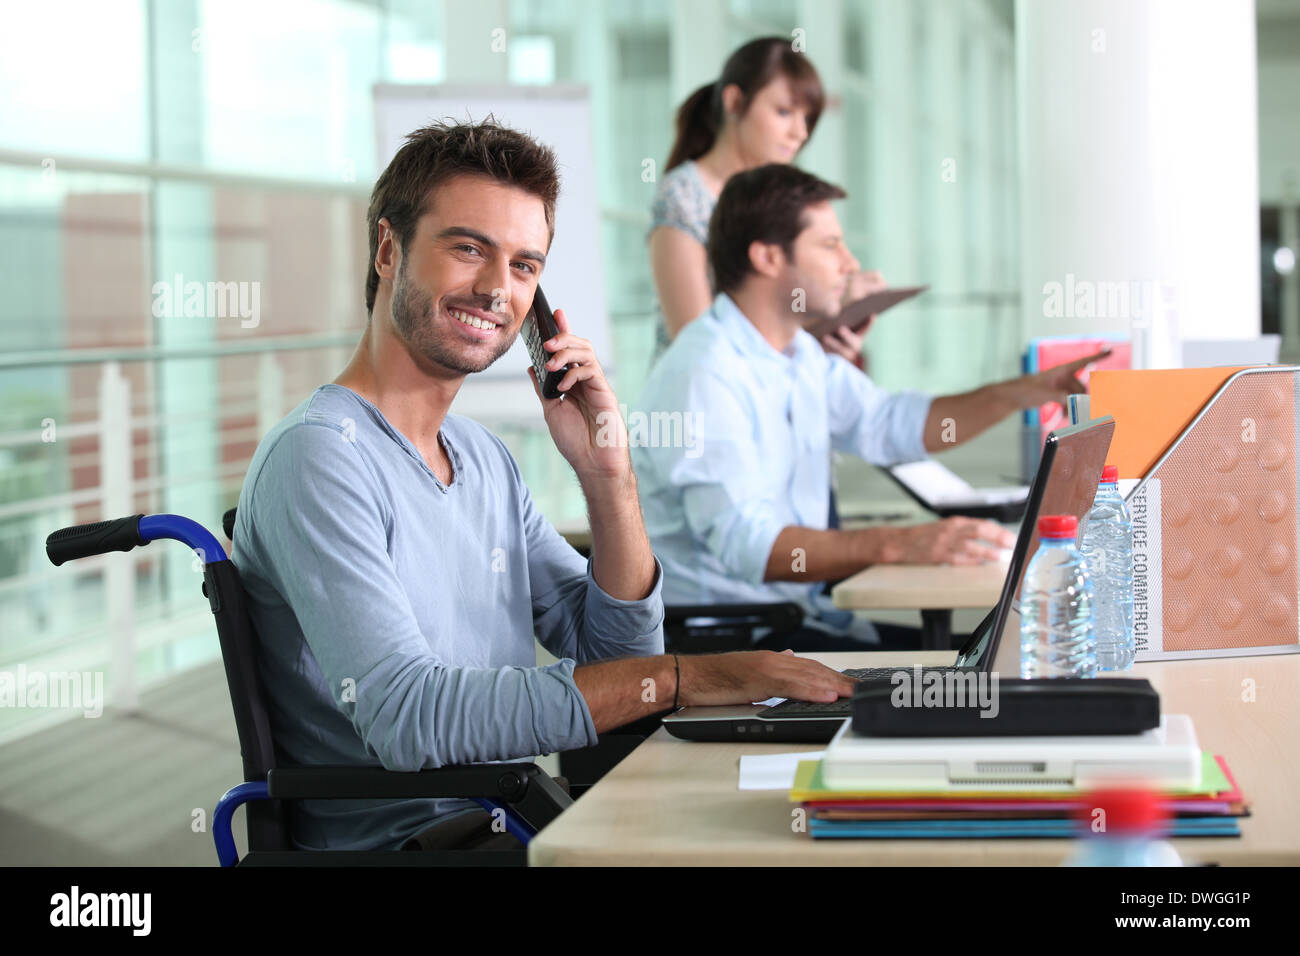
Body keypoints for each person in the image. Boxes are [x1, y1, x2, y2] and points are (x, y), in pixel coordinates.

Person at [231, 121, 856, 852]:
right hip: (418, 847)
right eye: (468, 248)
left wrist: (608, 479)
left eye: (525, 265)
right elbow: (406, 719)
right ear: (388, 248)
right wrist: (686, 678)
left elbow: (617, 657)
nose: (498, 288)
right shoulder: (320, 457)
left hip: (514, 817)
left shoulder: (482, 456)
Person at [632, 164, 1104, 649]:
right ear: (769, 257)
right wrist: (904, 544)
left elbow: (894, 425)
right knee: (971, 678)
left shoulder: (799, 355)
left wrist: (1024, 391)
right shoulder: (705, 371)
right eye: (830, 245)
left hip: (798, 620)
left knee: (985, 658)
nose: (849, 263)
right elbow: (748, 545)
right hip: (730, 644)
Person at [649, 36, 878, 366]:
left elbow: (775, 320)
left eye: (807, 118)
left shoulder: (776, 196)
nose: (799, 133)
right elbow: (696, 340)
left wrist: (838, 310)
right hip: (701, 400)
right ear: (734, 102)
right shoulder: (683, 195)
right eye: (784, 112)